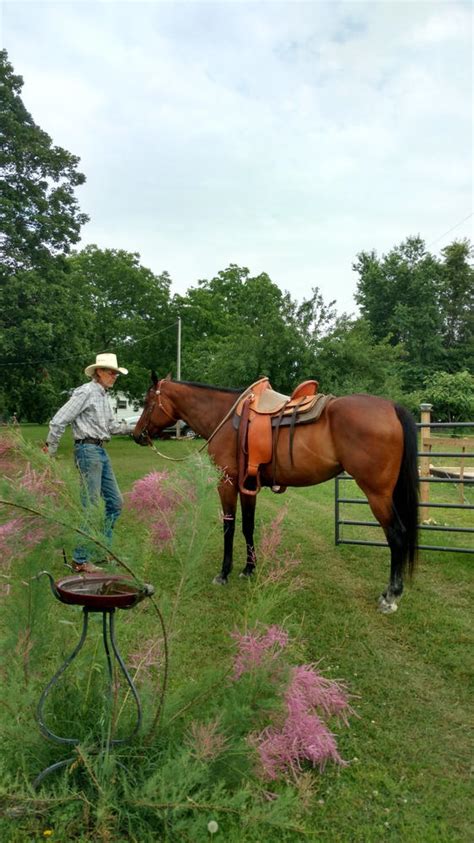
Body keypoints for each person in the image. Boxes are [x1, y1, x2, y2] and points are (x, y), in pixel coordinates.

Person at [44, 352, 128, 573]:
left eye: (116, 373)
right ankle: (80, 560)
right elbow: (59, 420)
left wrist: (138, 430)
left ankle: (101, 550)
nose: (115, 376)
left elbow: (110, 427)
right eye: (111, 372)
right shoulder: (86, 392)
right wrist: (51, 449)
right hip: (87, 451)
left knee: (115, 503)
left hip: (100, 451)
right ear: (99, 371)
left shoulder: (102, 396)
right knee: (90, 506)